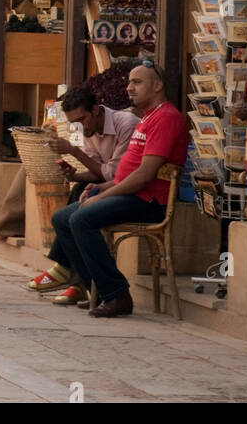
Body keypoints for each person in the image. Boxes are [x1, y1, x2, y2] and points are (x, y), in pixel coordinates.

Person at [46, 62, 189, 318]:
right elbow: (126, 172)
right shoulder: (148, 118)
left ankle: (118, 295)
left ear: (157, 86)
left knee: (81, 219)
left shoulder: (166, 118)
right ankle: (99, 290)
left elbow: (144, 176)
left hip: (149, 201)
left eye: (138, 82)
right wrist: (101, 186)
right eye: (129, 82)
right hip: (129, 193)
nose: (130, 88)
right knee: (62, 218)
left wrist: (103, 194)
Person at [26, 85, 139, 302]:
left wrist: (73, 151)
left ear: (96, 110)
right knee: (77, 193)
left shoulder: (126, 124)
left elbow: (112, 174)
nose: (79, 127)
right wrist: (75, 175)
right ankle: (86, 285)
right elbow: (97, 171)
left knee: (75, 218)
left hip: (129, 190)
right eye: (73, 123)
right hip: (110, 186)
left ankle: (71, 273)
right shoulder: (89, 129)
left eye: (82, 119)